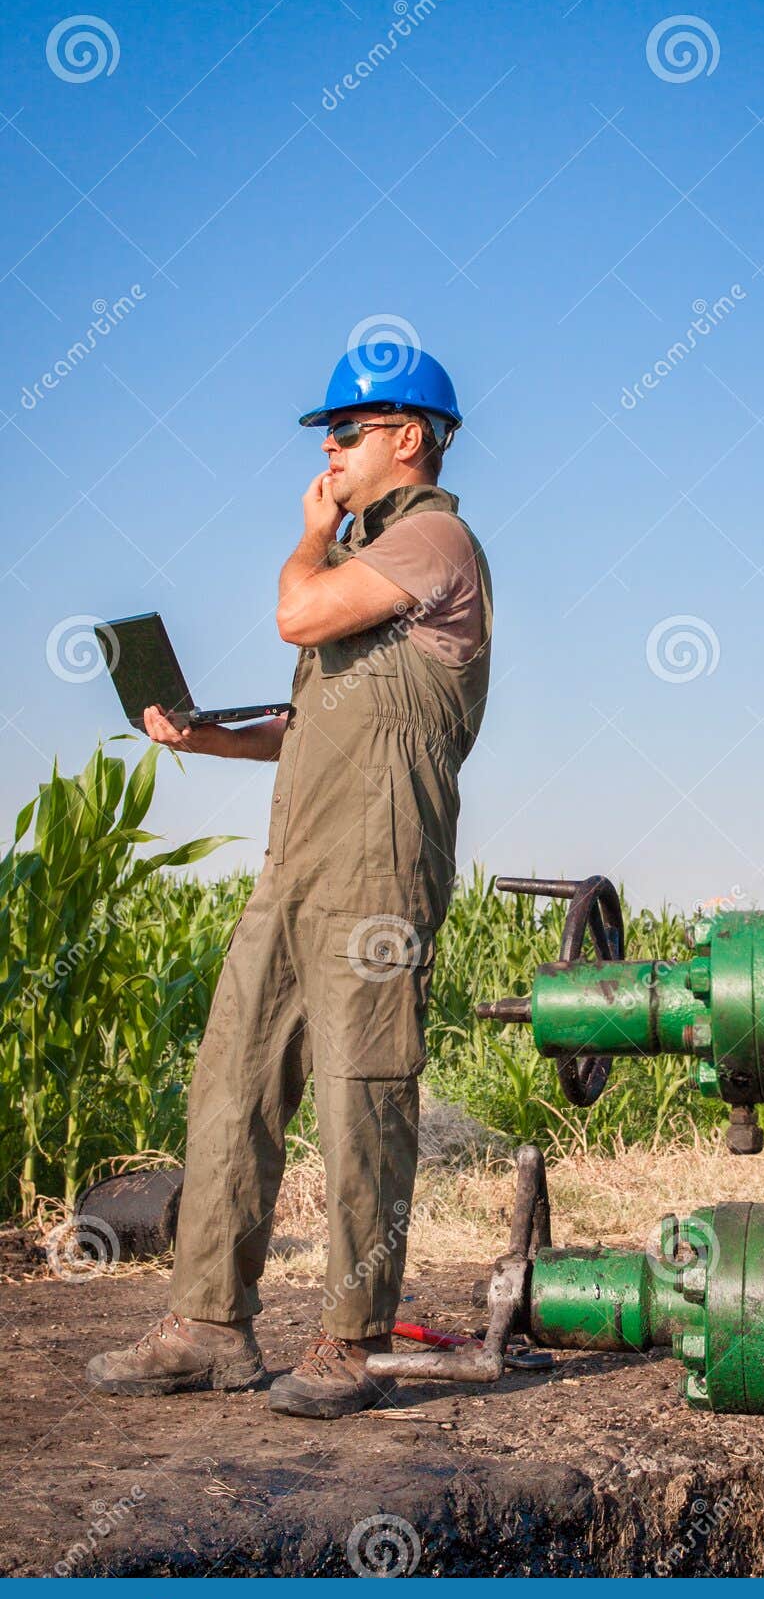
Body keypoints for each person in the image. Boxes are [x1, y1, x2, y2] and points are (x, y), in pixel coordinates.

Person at [87, 343, 492, 1417]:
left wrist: (306, 537)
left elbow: (295, 617)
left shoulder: (431, 540)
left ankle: (351, 1344)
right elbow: (304, 716)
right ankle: (208, 1323)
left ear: (407, 436)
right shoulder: (367, 560)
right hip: (295, 861)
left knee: (362, 1092)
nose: (329, 447)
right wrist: (200, 738)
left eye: (346, 430)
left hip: (382, 861)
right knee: (234, 1077)